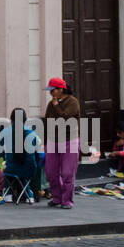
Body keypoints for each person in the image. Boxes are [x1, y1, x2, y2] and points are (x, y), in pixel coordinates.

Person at [43, 77, 81, 210]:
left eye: (52, 90)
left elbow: (65, 118)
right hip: (53, 140)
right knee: (51, 172)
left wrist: (56, 105)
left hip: (70, 140)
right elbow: (47, 122)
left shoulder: (73, 102)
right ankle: (57, 197)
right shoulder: (51, 104)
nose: (50, 93)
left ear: (60, 90)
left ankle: (67, 200)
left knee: (67, 172)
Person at [0, 107, 43, 203]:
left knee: (9, 165)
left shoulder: (5, 132)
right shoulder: (32, 134)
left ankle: (8, 194)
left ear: (11, 120)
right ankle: (29, 194)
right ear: (25, 120)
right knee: (24, 167)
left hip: (11, 169)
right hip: (30, 169)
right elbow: (37, 151)